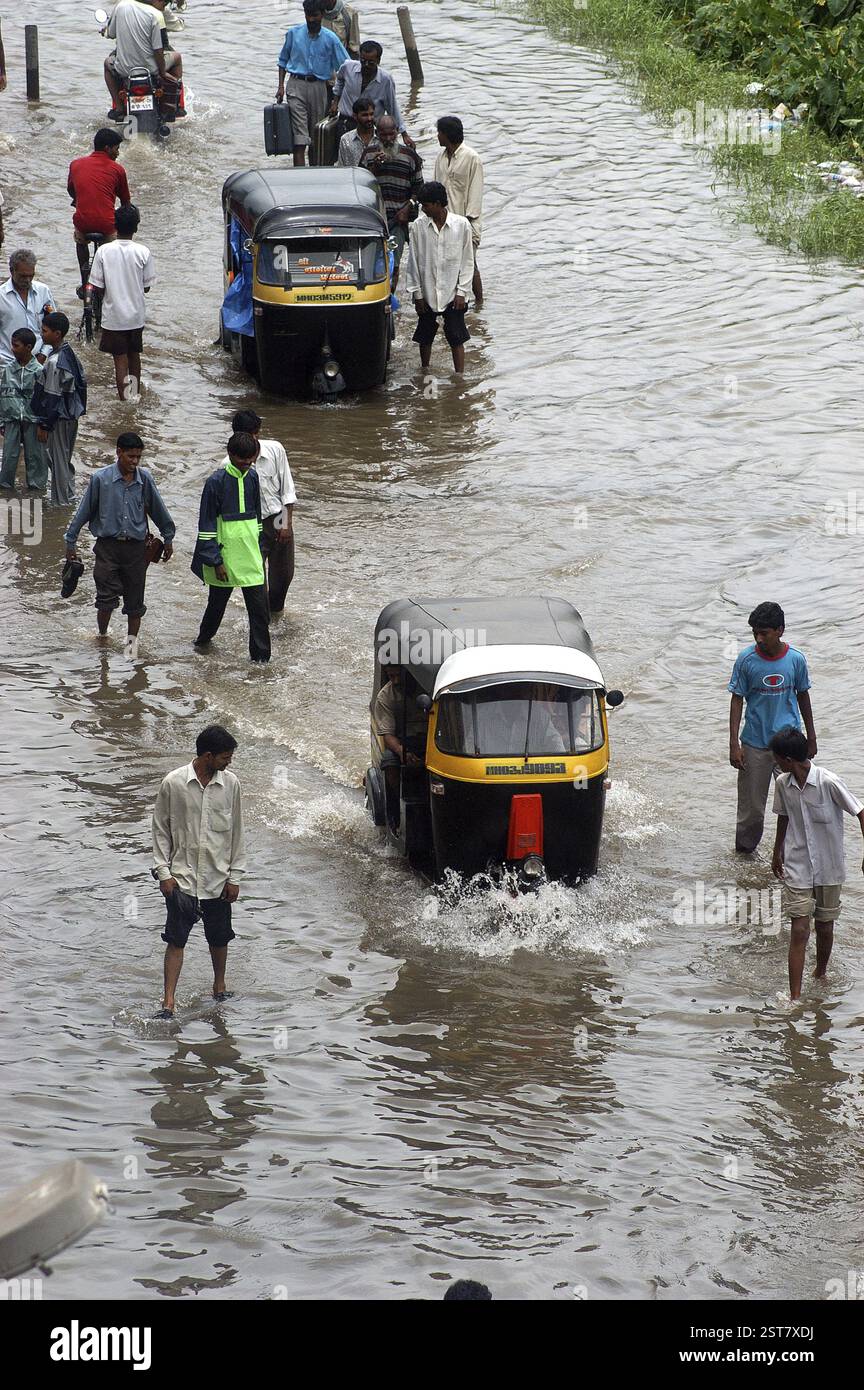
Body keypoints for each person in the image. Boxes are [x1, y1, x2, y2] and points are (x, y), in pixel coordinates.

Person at [151, 725, 245, 1020]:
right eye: (225, 757)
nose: (229, 762)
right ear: (207, 756)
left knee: (220, 938)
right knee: (176, 940)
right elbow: (160, 830)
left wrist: (236, 877)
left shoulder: (231, 785)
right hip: (182, 878)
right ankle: (168, 1002)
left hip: (218, 878)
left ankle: (219, 986)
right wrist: (163, 872)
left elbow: (237, 834)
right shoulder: (174, 783)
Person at [770, 726, 864, 1000]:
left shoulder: (828, 782)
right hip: (798, 864)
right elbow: (783, 816)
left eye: (776, 757)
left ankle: (820, 972)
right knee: (799, 929)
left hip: (829, 865)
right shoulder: (782, 784)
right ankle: (795, 997)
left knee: (824, 926)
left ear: (787, 759)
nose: (774, 762)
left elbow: (860, 812)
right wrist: (778, 851)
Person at [64, 431, 175, 660]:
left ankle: (131, 650)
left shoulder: (145, 480)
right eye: (130, 457)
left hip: (136, 551)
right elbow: (84, 512)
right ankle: (103, 637)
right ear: (118, 453)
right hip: (107, 548)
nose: (134, 462)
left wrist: (169, 537)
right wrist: (71, 541)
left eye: (138, 457)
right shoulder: (100, 479)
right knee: (105, 599)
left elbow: (158, 510)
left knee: (135, 603)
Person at [728, 602, 815, 854]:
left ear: (780, 630)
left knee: (797, 802)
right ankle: (744, 860)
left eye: (764, 632)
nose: (759, 638)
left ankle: (793, 857)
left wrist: (811, 737)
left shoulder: (796, 659)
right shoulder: (746, 660)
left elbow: (803, 696)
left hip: (789, 745)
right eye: (755, 632)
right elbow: (736, 699)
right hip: (755, 744)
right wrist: (734, 744)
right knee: (752, 811)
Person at [191, 432, 271, 664]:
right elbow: (205, 527)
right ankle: (202, 643)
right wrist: (216, 561)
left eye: (250, 460)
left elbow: (257, 517)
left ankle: (261, 662)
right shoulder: (215, 483)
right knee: (216, 606)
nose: (247, 465)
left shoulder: (253, 477)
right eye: (242, 460)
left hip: (249, 555)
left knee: (259, 612)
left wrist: (258, 550)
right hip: (224, 557)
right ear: (230, 455)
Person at [231, 409, 296, 618]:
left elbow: (287, 490)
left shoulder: (275, 450)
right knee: (257, 580)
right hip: (252, 526)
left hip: (278, 518)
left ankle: (276, 615)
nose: (250, 440)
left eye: (253, 434)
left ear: (258, 432)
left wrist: (285, 524)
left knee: (283, 577)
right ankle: (261, 622)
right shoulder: (229, 465)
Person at [404, 181, 473, 374]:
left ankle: (459, 377)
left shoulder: (462, 226)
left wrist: (462, 292)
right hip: (427, 292)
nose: (423, 209)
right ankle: (425, 372)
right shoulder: (418, 227)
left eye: (426, 205)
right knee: (425, 337)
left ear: (437, 204)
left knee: (457, 337)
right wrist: (417, 295)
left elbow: (467, 262)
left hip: (453, 293)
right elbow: (414, 262)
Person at [88, 203, 155, 401]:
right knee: (135, 356)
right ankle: (134, 395)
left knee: (120, 360)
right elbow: (147, 287)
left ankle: (125, 401)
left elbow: (97, 285)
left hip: (114, 316)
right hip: (136, 316)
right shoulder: (143, 252)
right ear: (136, 227)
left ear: (115, 226)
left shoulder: (103, 252)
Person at [276, 1, 350, 168]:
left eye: (315, 15)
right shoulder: (293, 34)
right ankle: (300, 176)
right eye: (308, 15)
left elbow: (346, 68)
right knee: (300, 139)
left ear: (322, 15)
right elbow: (282, 61)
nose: (311, 19)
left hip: (319, 87)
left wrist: (337, 100)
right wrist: (280, 86)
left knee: (316, 138)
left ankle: (315, 173)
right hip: (296, 86)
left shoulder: (331, 39)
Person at [31, 313, 87, 506]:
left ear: (57, 334)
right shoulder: (68, 353)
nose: (41, 334)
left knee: (58, 461)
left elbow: (53, 397)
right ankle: (69, 496)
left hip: (60, 418)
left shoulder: (55, 362)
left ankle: (61, 504)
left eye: (44, 331)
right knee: (63, 458)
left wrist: (45, 424)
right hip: (71, 415)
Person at [360, 115, 423, 288]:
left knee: (393, 264)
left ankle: (391, 298)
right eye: (383, 135)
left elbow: (419, 188)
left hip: (398, 219)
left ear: (397, 132)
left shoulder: (410, 156)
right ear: (377, 134)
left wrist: (408, 207)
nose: (388, 139)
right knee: (371, 263)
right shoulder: (368, 154)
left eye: (391, 134)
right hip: (373, 220)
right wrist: (373, 168)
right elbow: (359, 185)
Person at [67, 129, 132, 289]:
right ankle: (108, 283)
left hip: (83, 223)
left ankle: (84, 280)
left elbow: (71, 190)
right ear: (107, 148)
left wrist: (79, 200)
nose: (118, 153)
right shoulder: (117, 170)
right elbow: (125, 202)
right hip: (106, 224)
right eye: (116, 149)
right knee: (113, 249)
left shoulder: (75, 164)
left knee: (80, 241)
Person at [103, 0, 183, 122]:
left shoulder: (121, 6)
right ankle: (172, 105)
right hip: (151, 69)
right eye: (164, 4)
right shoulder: (156, 14)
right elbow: (158, 49)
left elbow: (111, 33)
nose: (164, 7)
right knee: (177, 58)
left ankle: (119, 108)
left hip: (125, 69)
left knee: (107, 63)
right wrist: (163, 72)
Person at [434, 117, 484, 303]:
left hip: (465, 221)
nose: (437, 136)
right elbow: (436, 188)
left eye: (439, 132)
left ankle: (479, 303)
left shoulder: (472, 158)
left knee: (469, 265)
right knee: (446, 265)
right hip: (443, 220)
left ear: (447, 135)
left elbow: (475, 194)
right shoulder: (440, 157)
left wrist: (468, 223)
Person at [373, 664, 428, 827]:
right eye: (391, 677)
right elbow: (387, 735)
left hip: (430, 740)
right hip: (403, 741)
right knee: (389, 762)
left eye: (399, 676)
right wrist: (401, 752)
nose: (396, 681)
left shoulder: (426, 687)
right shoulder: (385, 696)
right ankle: (397, 811)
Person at [330, 41, 411, 140]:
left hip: (370, 127)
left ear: (378, 60)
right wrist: (335, 102)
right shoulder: (348, 67)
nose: (366, 65)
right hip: (346, 123)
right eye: (363, 61)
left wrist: (404, 134)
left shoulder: (385, 80)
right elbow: (340, 80)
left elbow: (392, 107)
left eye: (371, 62)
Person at [0, 329, 46, 496]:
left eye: (16, 345)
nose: (12, 348)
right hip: (11, 420)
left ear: (28, 347)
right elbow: (1, 395)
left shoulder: (39, 371)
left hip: (33, 421)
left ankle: (36, 495)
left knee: (36, 460)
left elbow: (45, 400)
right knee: (8, 460)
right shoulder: (7, 370)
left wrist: (43, 424)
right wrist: (1, 421)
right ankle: (6, 495)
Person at [0, 250, 57, 365]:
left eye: (31, 276)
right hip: (7, 363)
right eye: (23, 276)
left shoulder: (43, 291)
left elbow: (52, 326)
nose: (27, 280)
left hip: (39, 361)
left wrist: (43, 355)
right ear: (12, 271)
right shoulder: (1, 296)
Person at [336, 97, 377, 167]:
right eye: (365, 115)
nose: (369, 118)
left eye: (371, 114)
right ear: (355, 116)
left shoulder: (382, 137)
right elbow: (342, 167)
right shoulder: (346, 140)